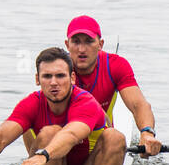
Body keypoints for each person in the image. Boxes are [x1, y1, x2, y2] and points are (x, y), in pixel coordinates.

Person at [64, 15, 161, 157]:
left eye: (89, 41)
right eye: (76, 42)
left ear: (100, 44)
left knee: (114, 137)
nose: (82, 49)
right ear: (67, 45)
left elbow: (138, 105)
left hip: (102, 139)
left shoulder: (115, 65)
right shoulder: (58, 69)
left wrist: (147, 133)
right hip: (66, 138)